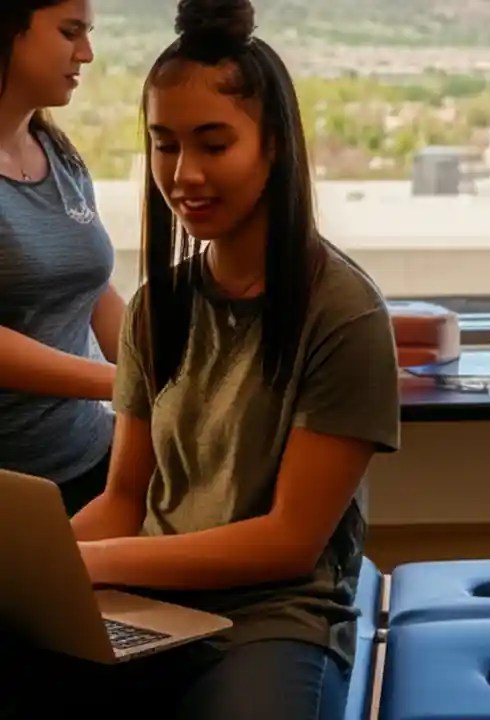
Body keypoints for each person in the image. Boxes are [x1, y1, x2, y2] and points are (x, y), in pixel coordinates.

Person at [7, 0, 402, 717]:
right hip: (153, 606)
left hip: (275, 616)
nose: (183, 173)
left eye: (213, 145)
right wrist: (43, 574)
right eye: (165, 144)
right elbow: (125, 498)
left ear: (274, 145)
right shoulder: (160, 307)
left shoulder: (344, 313)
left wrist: (91, 564)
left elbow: (287, 543)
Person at [0, 0, 124, 516]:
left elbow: (93, 290)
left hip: (86, 458)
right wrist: (127, 384)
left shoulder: (57, 151)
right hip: (12, 486)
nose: (87, 53)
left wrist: (174, 373)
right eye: (70, 32)